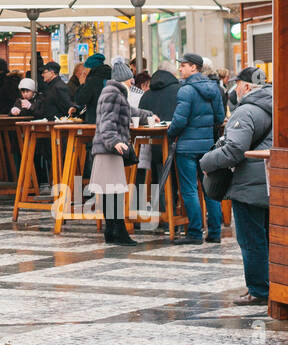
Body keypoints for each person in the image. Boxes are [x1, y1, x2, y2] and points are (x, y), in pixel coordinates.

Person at [200, 67, 272, 305]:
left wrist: (206, 161)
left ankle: (258, 290)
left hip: (249, 185)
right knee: (269, 238)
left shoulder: (246, 112)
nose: (235, 88)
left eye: (238, 83)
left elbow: (234, 150)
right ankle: (273, 286)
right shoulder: (280, 108)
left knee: (251, 240)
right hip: (273, 183)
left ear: (247, 87)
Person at [90, 59, 157, 245]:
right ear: (123, 79)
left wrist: (149, 115)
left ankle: (112, 231)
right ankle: (117, 232)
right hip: (109, 150)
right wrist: (116, 142)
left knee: (110, 191)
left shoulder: (114, 93)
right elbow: (107, 123)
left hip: (106, 149)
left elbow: (130, 112)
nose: (132, 83)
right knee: (113, 191)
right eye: (130, 79)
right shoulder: (113, 94)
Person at [166, 52, 225, 245]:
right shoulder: (213, 88)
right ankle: (215, 232)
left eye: (183, 65)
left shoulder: (186, 90)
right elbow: (219, 117)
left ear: (194, 67)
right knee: (209, 188)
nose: (180, 69)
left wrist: (171, 132)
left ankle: (195, 232)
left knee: (190, 190)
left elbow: (180, 120)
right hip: (207, 146)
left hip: (187, 148)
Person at [70, 54, 111, 123]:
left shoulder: (92, 81)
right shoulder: (110, 77)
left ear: (90, 68)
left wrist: (82, 84)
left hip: (95, 121)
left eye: (86, 68)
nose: (84, 71)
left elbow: (80, 100)